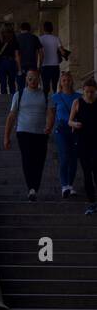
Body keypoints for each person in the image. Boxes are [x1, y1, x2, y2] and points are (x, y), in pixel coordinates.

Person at [4, 68, 49, 201]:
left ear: (39, 79)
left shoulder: (46, 95)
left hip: (40, 134)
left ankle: (35, 186)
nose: (33, 81)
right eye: (30, 78)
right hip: (23, 132)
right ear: (26, 79)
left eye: (35, 78)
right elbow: (12, 116)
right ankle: (31, 188)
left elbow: (51, 113)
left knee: (39, 161)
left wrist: (49, 126)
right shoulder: (19, 95)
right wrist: (6, 136)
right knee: (27, 159)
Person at [46, 70, 81, 198]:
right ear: (60, 82)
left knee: (73, 159)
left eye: (68, 80)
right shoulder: (55, 97)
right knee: (64, 157)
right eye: (63, 80)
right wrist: (48, 127)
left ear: (71, 81)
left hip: (75, 130)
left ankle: (70, 186)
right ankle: (64, 185)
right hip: (61, 130)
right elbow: (51, 115)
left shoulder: (78, 96)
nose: (66, 82)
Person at [69, 78, 97, 215]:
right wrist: (75, 124)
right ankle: (92, 202)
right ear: (83, 91)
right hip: (83, 142)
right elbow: (70, 121)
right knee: (87, 173)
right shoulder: (77, 102)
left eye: (92, 92)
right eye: (87, 92)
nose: (89, 94)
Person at [15, 22, 43, 95]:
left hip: (21, 65)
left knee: (20, 89)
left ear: (20, 29)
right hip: (32, 65)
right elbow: (41, 53)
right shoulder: (34, 38)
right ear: (29, 29)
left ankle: (20, 104)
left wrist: (19, 68)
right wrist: (39, 65)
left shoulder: (17, 38)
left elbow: (17, 54)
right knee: (33, 87)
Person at [39, 21, 66, 95]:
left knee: (45, 87)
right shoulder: (56, 38)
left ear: (43, 29)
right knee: (55, 86)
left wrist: (39, 65)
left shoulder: (40, 39)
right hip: (55, 65)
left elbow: (39, 52)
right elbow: (63, 52)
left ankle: (45, 103)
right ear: (52, 29)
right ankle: (56, 103)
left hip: (45, 65)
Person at [0, 24, 18, 95]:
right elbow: (16, 54)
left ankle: (4, 100)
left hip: (1, 62)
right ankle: (12, 101)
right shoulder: (14, 39)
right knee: (12, 83)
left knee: (3, 83)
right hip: (11, 62)